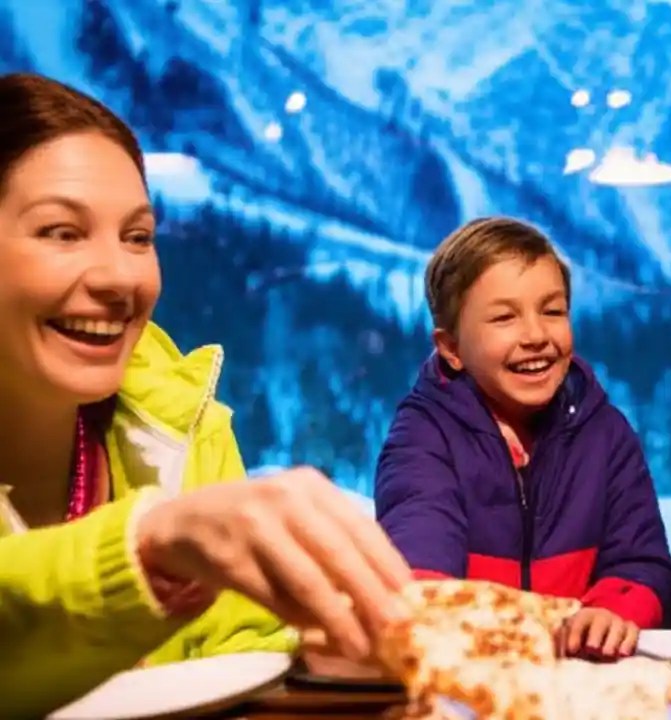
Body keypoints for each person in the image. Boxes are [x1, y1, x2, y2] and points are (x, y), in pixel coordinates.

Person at [0, 73, 411, 718]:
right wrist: (146, 548)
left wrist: (342, 643)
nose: (119, 277)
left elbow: (245, 647)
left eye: (137, 236)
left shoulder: (179, 424)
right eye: (62, 232)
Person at [375, 217, 671, 659]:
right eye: (504, 318)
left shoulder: (605, 434)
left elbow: (640, 560)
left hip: (579, 679)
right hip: (470, 675)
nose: (536, 336)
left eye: (552, 311)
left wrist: (612, 611)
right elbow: (418, 560)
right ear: (451, 348)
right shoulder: (423, 437)